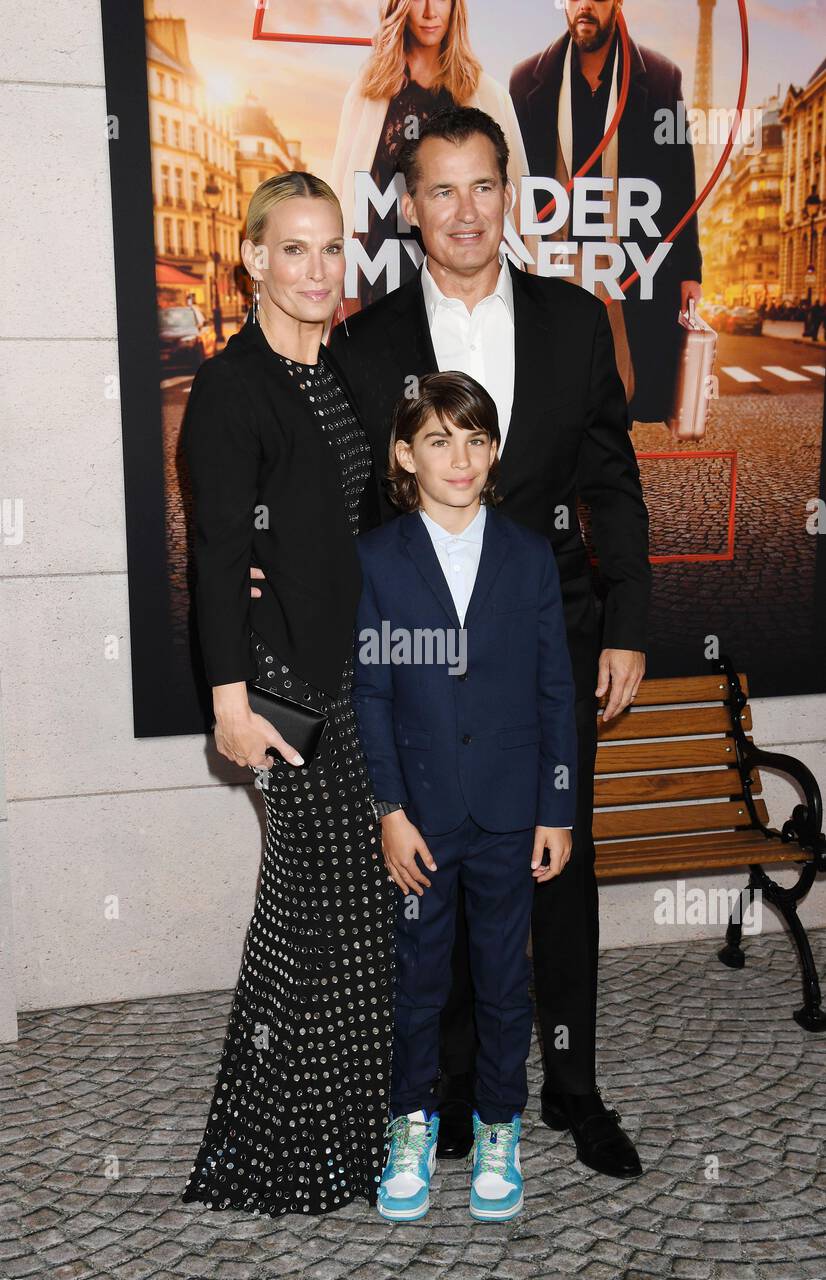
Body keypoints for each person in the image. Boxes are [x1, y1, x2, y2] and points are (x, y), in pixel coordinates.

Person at [326, 105, 650, 1177]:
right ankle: (458, 1093)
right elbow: (355, 513)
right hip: (421, 653)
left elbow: (613, 481)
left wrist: (629, 627)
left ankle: (573, 1085)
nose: (465, 212)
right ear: (408, 206)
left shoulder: (570, 320)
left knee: (556, 859)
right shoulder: (367, 343)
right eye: (441, 189)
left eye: (484, 186)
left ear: (511, 196)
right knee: (444, 864)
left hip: (552, 631)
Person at [179, 171, 396, 1218]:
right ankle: (276, 1147)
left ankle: (339, 1131)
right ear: (253, 260)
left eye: (329, 249)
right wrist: (230, 705)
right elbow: (217, 557)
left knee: (342, 907)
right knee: (319, 902)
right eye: (292, 249)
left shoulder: (340, 373)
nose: (315, 270)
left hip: (348, 671)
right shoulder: (234, 389)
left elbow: (344, 520)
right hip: (280, 689)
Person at [352, 371, 577, 1222]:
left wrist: (557, 808)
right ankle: (409, 1124)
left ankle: (498, 1126)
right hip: (421, 815)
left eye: (476, 439)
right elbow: (370, 692)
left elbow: (556, 688)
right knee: (416, 980)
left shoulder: (527, 553)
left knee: (501, 981)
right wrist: (390, 810)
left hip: (512, 810)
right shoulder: (376, 558)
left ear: (494, 453)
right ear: (406, 455)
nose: (460, 457)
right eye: (439, 440)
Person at [509, 0, 703, 424]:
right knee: (552, 391)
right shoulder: (525, 82)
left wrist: (689, 270)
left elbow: (678, 177)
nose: (583, 6)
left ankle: (606, 483)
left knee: (620, 391)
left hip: (623, 267)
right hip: (552, 264)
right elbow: (511, 177)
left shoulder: (663, 77)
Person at [330, 0, 529, 308]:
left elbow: (519, 213)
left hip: (467, 281)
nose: (428, 11)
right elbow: (344, 205)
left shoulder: (488, 94)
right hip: (380, 276)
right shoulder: (366, 93)